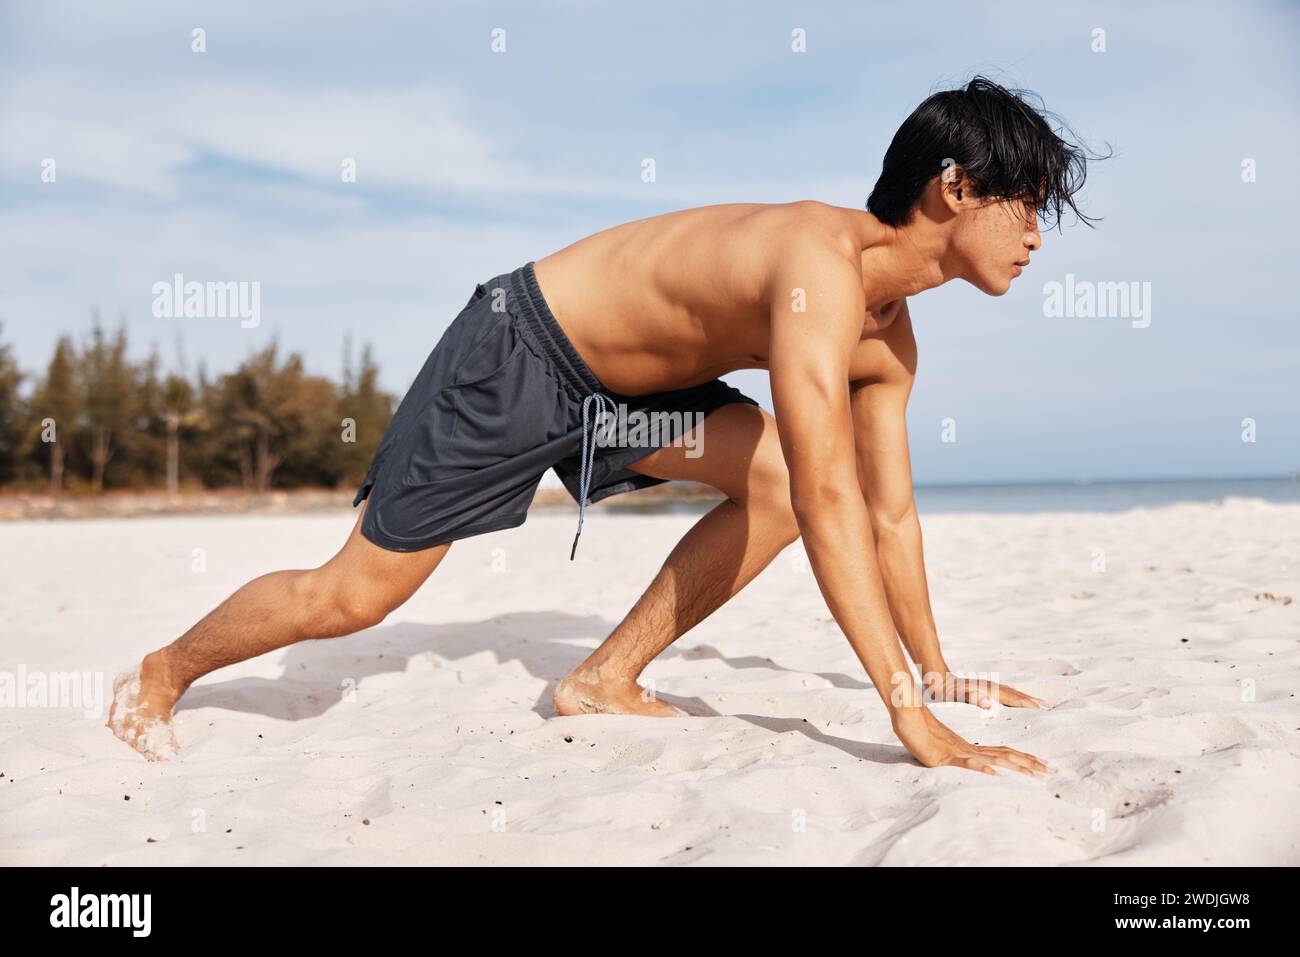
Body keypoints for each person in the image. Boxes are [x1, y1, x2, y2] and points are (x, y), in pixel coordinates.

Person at [110, 76, 1098, 775]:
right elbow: (827, 486)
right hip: (522, 347)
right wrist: (905, 714)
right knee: (355, 596)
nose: (1036, 233)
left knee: (767, 486)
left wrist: (938, 674)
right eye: (1024, 202)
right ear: (954, 186)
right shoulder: (816, 266)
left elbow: (887, 514)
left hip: (630, 397)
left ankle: (603, 678)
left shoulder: (888, 340)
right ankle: (164, 671)